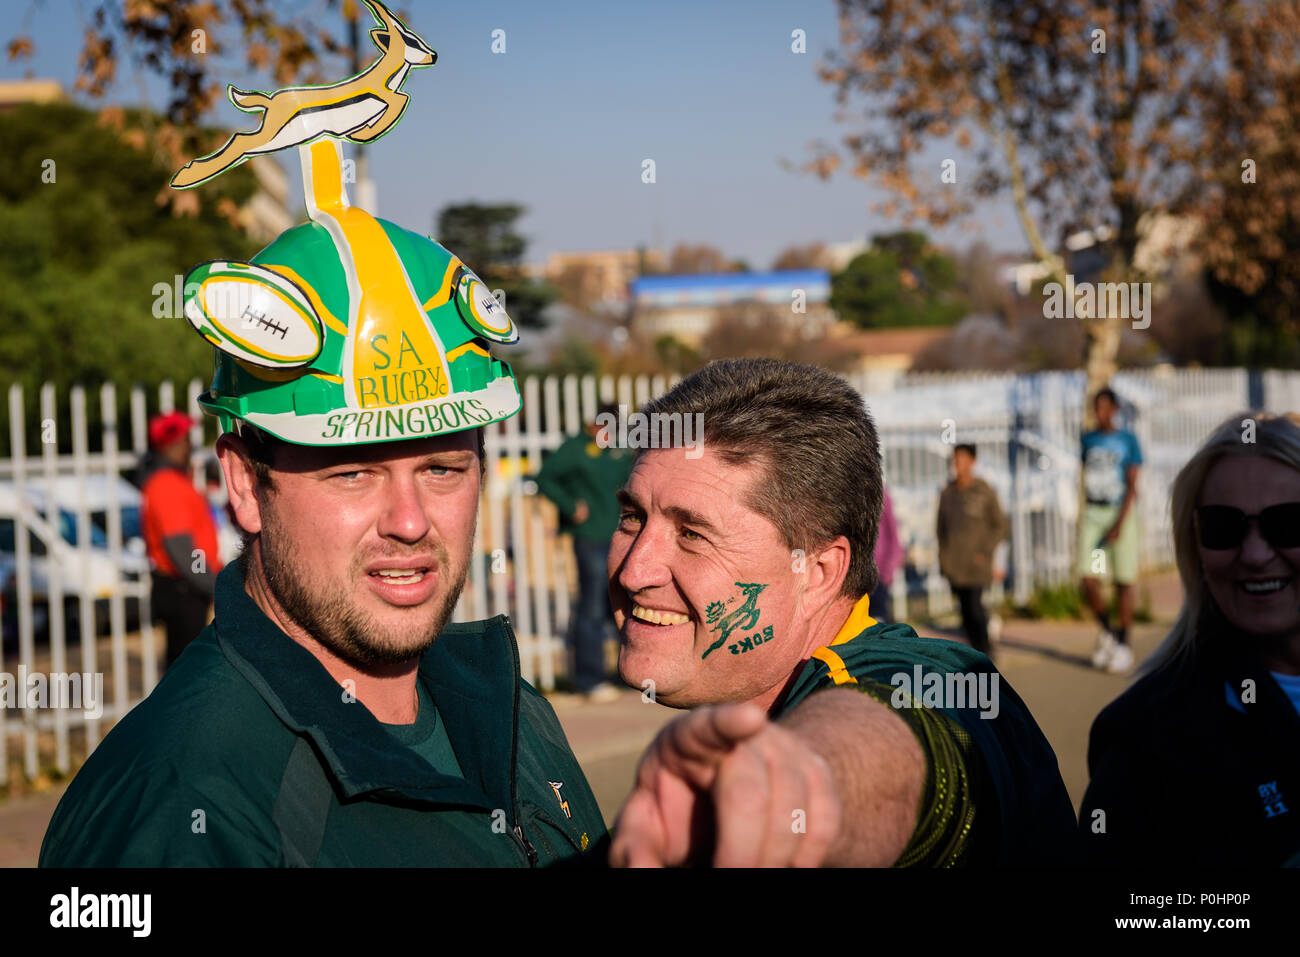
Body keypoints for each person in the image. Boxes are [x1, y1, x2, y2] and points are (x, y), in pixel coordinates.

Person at [40, 23, 605, 866]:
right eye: (352, 472)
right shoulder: (182, 800)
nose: (411, 521)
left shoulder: (510, 706)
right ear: (241, 482)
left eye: (444, 467)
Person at [606, 358, 1077, 867]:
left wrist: (790, 787)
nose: (635, 571)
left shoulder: (924, 683)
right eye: (633, 517)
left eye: (693, 534)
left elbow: (889, 744)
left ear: (819, 572)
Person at [1081, 412, 1300, 867]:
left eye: (1288, 523)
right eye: (1224, 527)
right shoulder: (1143, 740)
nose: (1256, 555)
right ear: (1194, 547)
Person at [534, 403, 633, 701]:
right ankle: (589, 680)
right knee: (591, 608)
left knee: (621, 605)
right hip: (590, 539)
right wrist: (569, 506)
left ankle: (629, 672)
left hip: (622, 538)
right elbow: (545, 479)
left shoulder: (619, 451)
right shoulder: (575, 449)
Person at [139, 410, 222, 670]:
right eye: (185, 439)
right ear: (171, 444)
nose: (189, 445)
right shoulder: (166, 485)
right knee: (186, 670)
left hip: (184, 588)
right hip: (183, 590)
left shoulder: (171, 480)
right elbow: (180, 548)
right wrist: (213, 585)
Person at [1079, 387, 1143, 674]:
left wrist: (1118, 524)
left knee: (1122, 580)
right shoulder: (1088, 439)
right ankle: (1108, 631)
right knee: (1090, 576)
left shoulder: (1128, 440)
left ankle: (1124, 644)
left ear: (1115, 409)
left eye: (1105, 407)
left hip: (1120, 514)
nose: (1100, 413)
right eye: (1096, 407)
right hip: (1095, 514)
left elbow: (1132, 485)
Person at [936, 443, 1009, 657]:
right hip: (955, 564)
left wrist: (985, 552)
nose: (957, 464)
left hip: (977, 563)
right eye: (955, 459)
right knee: (965, 611)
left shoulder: (984, 491)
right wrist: (943, 559)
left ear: (972, 462)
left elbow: (1000, 525)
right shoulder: (948, 492)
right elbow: (941, 529)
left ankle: (985, 650)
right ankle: (976, 649)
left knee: (975, 606)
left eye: (962, 459)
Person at [869, 486, 903, 623]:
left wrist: (886, 573)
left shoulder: (882, 495)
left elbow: (894, 539)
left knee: (877, 624)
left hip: (878, 577)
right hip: (852, 579)